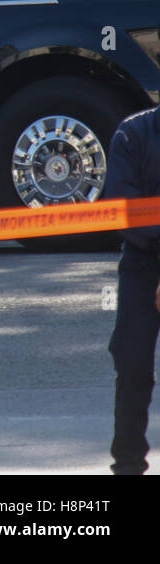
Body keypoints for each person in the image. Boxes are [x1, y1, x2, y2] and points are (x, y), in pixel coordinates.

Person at [105, 103, 160, 474]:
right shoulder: (133, 133)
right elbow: (123, 208)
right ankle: (127, 464)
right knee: (133, 364)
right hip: (143, 263)